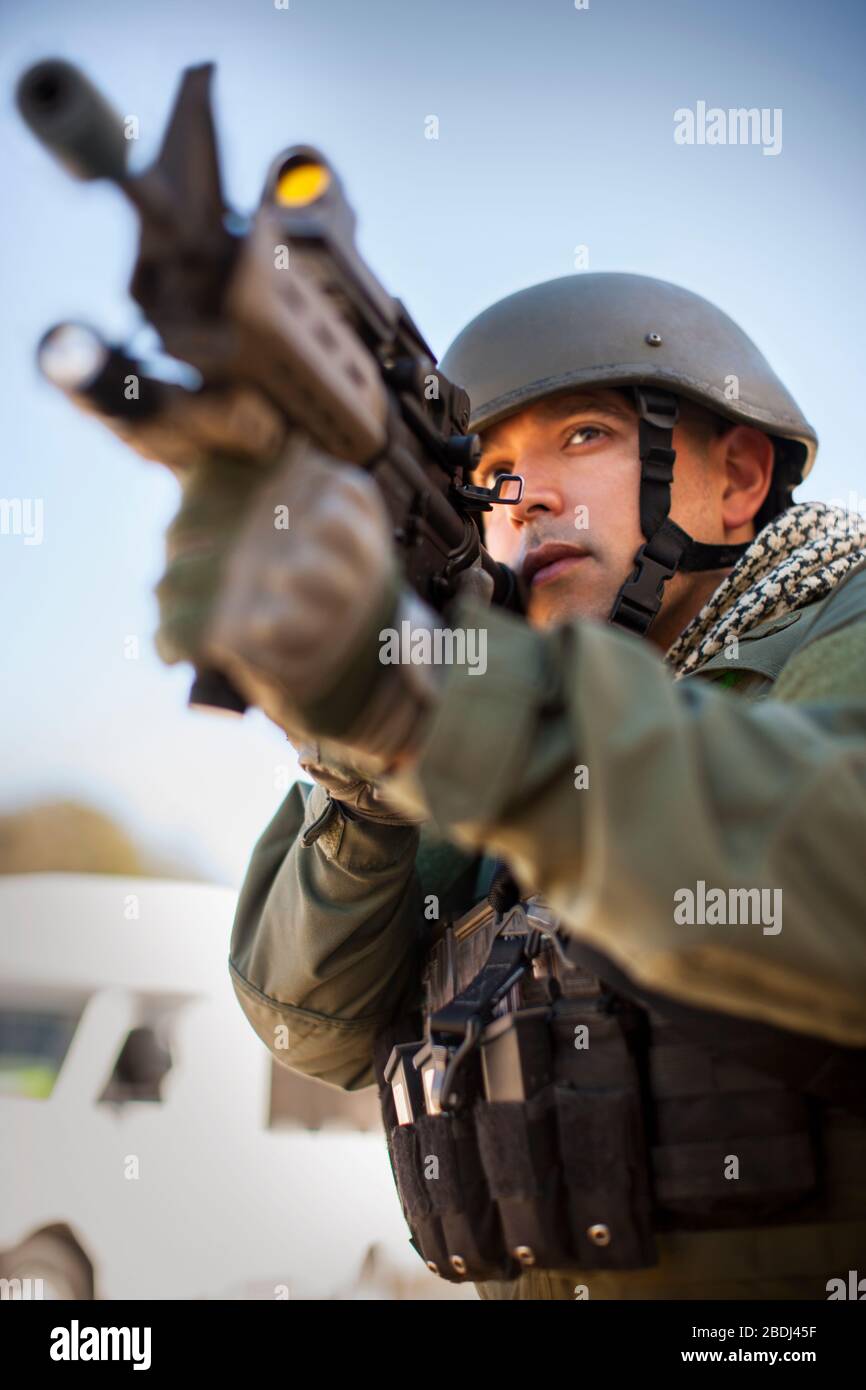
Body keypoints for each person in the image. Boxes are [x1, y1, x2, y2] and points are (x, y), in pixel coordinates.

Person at [153, 273, 866, 1299]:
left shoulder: (839, 625)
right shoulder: (494, 718)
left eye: (583, 434)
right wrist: (364, 772)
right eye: (489, 471)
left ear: (739, 477)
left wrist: (442, 705)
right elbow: (314, 1025)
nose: (522, 496)